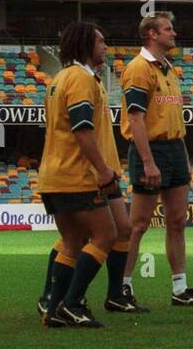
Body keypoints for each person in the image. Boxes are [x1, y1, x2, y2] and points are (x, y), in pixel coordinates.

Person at [36, 22, 136, 328]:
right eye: (101, 41)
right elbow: (82, 129)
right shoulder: (80, 79)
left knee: (72, 241)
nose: (106, 47)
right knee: (106, 235)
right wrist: (103, 169)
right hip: (77, 173)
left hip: (54, 174)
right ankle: (72, 302)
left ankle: (55, 308)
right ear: (85, 44)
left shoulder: (61, 78)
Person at [120, 11, 193, 307]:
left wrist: (183, 156)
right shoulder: (139, 69)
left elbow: (174, 118)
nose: (173, 33)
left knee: (177, 221)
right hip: (151, 149)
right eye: (168, 29)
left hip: (175, 148)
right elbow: (136, 119)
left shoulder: (168, 68)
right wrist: (148, 162)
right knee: (138, 224)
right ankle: (123, 286)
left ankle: (180, 288)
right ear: (152, 34)